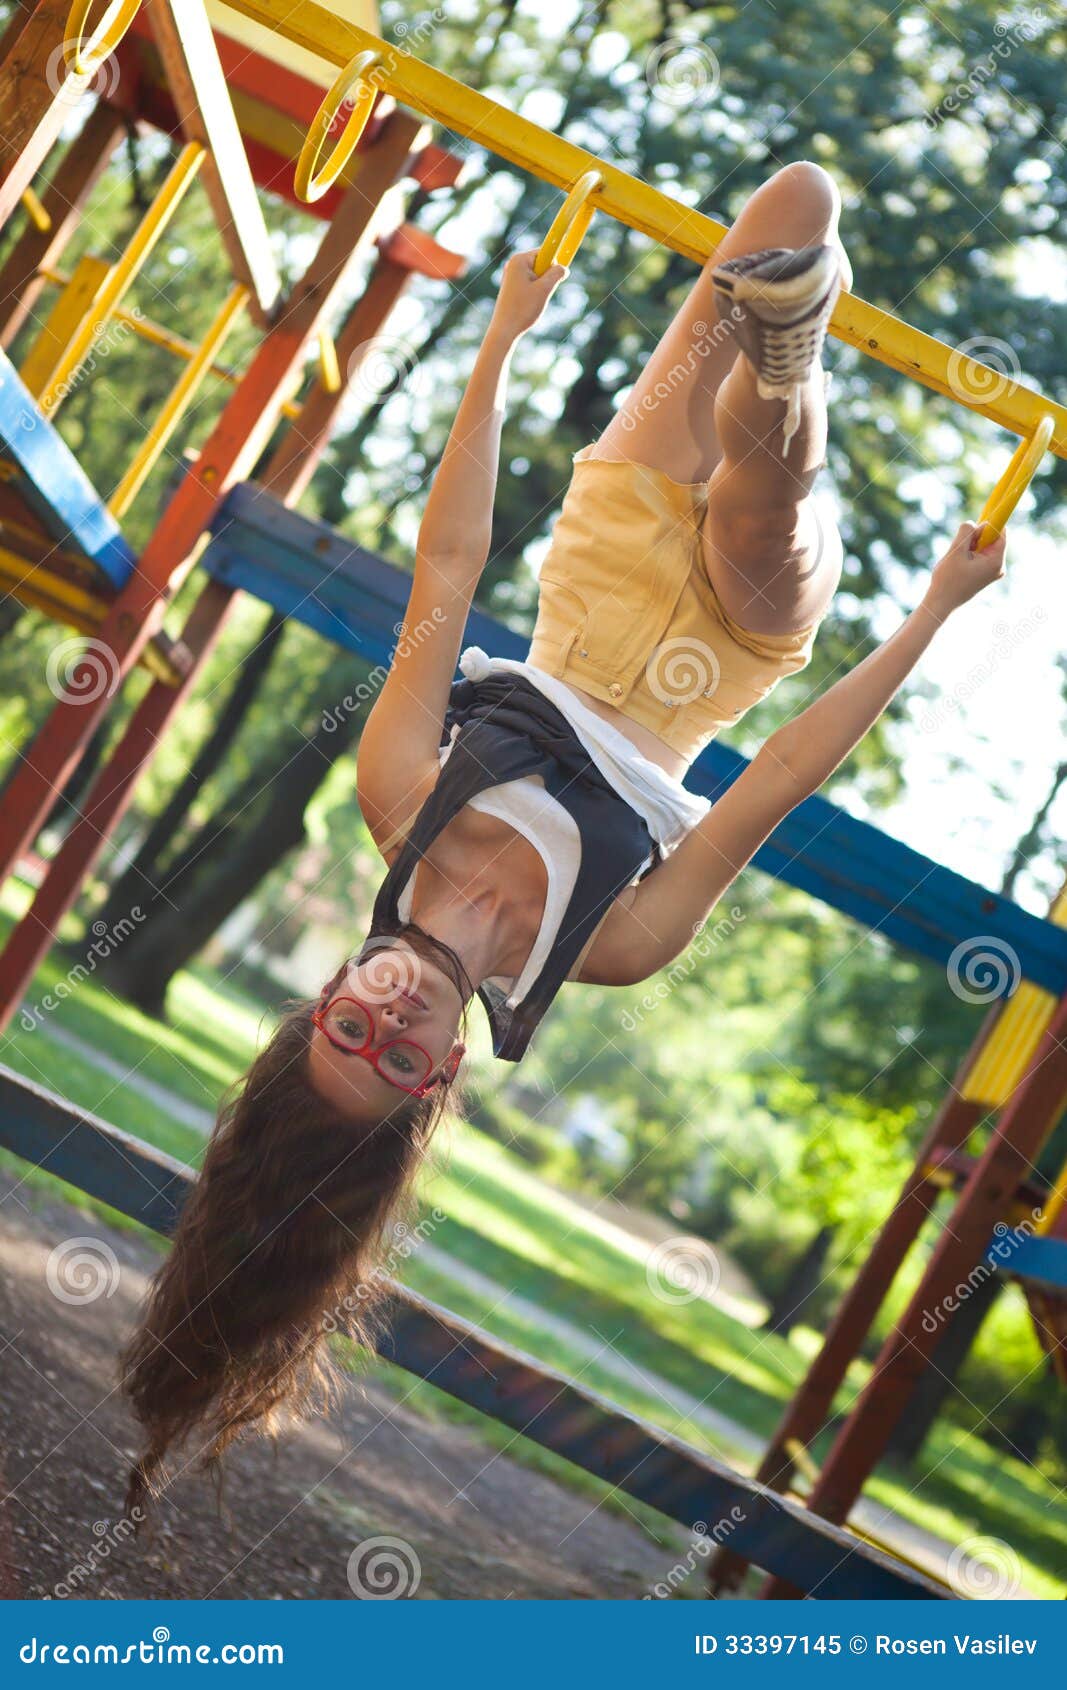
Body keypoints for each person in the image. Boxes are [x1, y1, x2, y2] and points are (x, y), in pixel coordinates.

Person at [122, 162, 1006, 1504]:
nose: (385, 1016)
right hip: (737, 635)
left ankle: (783, 329)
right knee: (758, 505)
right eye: (395, 1053)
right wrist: (932, 615)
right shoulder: (609, 943)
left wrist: (496, 351)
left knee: (795, 202)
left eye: (344, 1027)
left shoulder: (400, 795)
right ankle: (787, 353)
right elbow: (766, 783)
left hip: (604, 537)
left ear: (322, 1002)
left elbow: (449, 571)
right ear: (432, 1083)